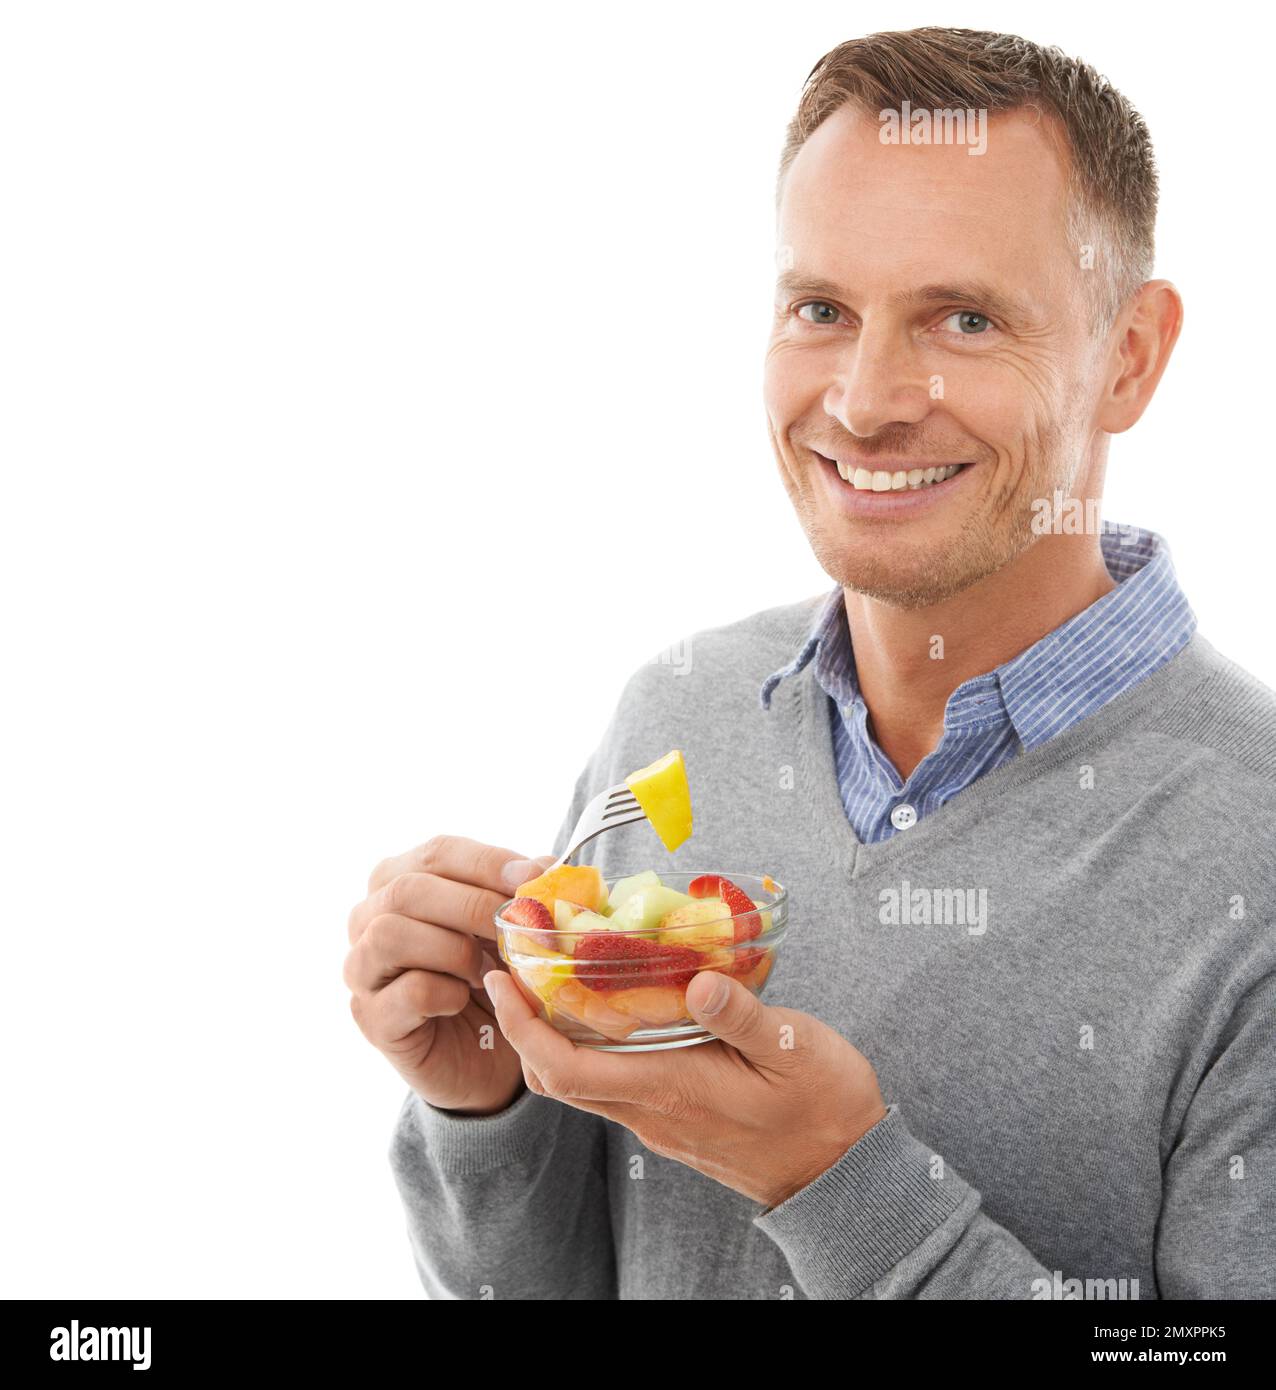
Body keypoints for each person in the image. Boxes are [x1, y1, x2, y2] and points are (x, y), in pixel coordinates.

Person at [344, 26, 1276, 1299]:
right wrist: (490, 1112)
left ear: (1130, 356)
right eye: (820, 310)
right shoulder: (675, 716)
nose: (864, 400)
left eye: (962, 317)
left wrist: (837, 1185)